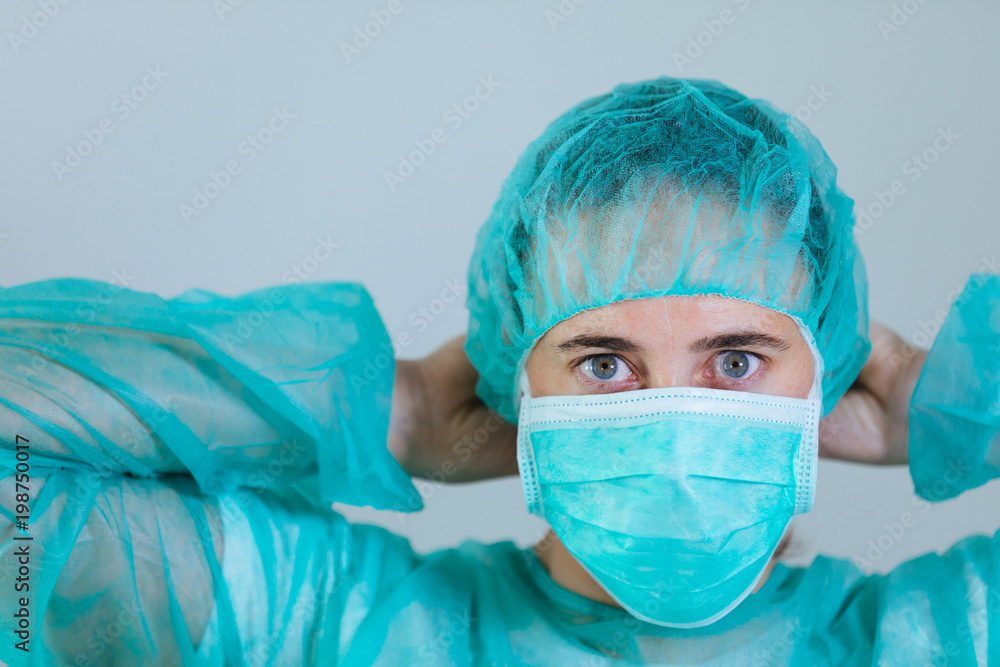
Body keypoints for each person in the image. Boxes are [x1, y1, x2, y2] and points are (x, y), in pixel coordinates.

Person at [0, 76, 997, 666]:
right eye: (602, 361)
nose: (673, 424)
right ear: (518, 387)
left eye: (736, 360)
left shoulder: (938, 638)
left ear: (819, 385)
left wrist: (947, 403)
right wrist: (393, 416)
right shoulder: (337, 625)